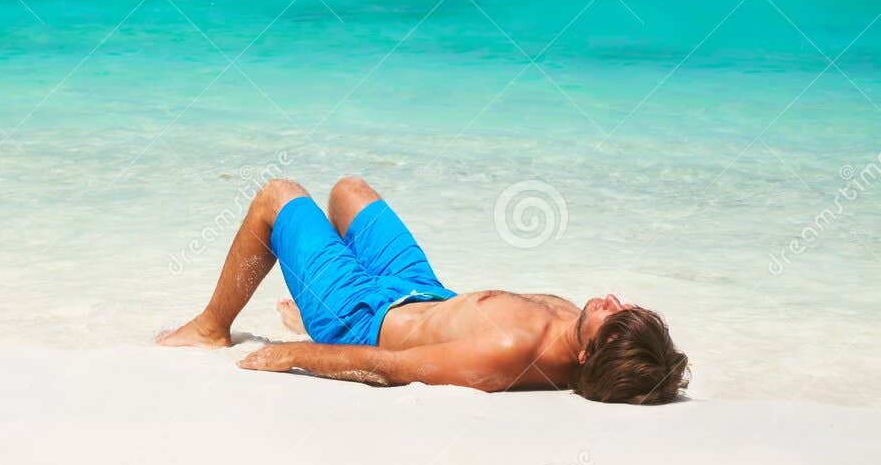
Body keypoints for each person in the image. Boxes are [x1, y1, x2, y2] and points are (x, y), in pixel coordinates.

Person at [157, 175, 688, 404]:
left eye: (614, 316)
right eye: (626, 307)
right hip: (420, 291)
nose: (614, 301)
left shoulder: (509, 355)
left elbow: (392, 370)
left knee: (278, 197)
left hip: (360, 318)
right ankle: (310, 301)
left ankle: (209, 329)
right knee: (348, 192)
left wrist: (294, 353)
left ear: (588, 350)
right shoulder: (578, 326)